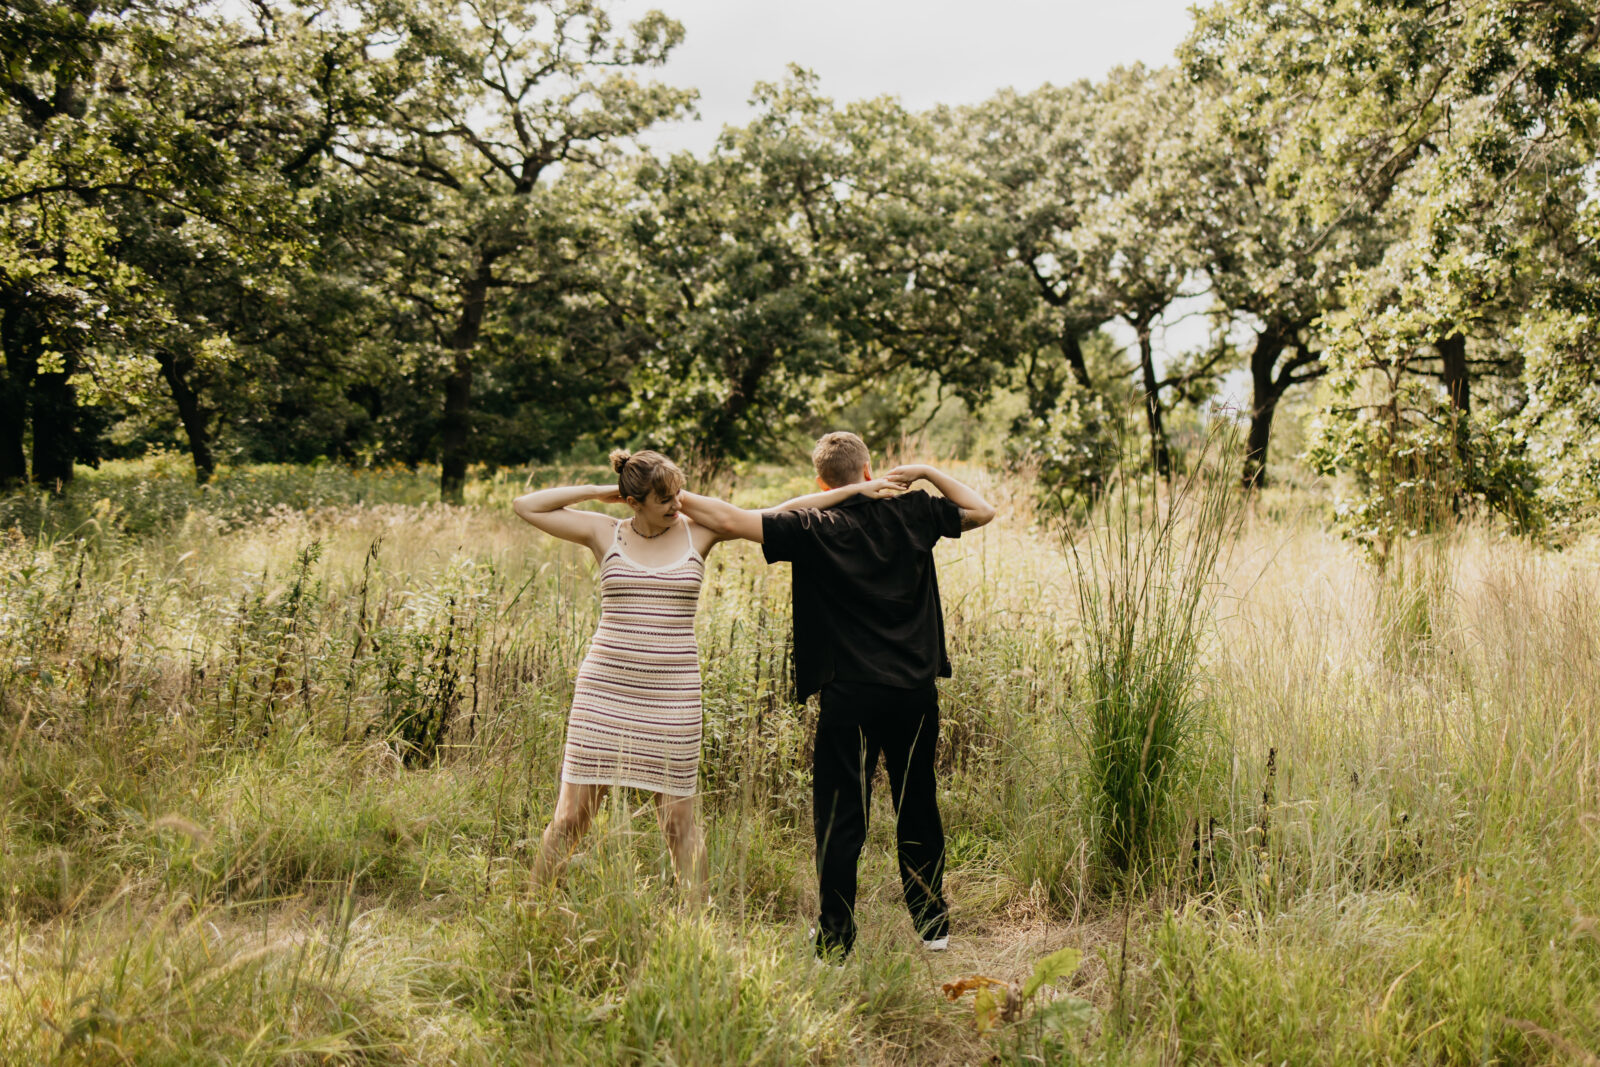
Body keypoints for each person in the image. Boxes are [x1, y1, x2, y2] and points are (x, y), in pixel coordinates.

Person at [512, 448, 904, 902]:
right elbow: (527, 505)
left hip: (673, 697)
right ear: (633, 501)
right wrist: (602, 491)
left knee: (678, 822)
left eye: (678, 494)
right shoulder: (605, 531)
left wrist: (855, 491)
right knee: (571, 818)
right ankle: (535, 908)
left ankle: (695, 922)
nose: (677, 505)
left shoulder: (697, 532)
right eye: (664, 500)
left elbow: (785, 511)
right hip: (604, 692)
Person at [677, 431, 995, 957]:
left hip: (849, 694)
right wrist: (924, 471)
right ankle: (932, 925)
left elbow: (734, 519)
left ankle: (836, 937)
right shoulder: (913, 510)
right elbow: (982, 511)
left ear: (821, 483)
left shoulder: (812, 524)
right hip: (914, 690)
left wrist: (662, 491)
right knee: (917, 801)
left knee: (842, 815)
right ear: (870, 471)